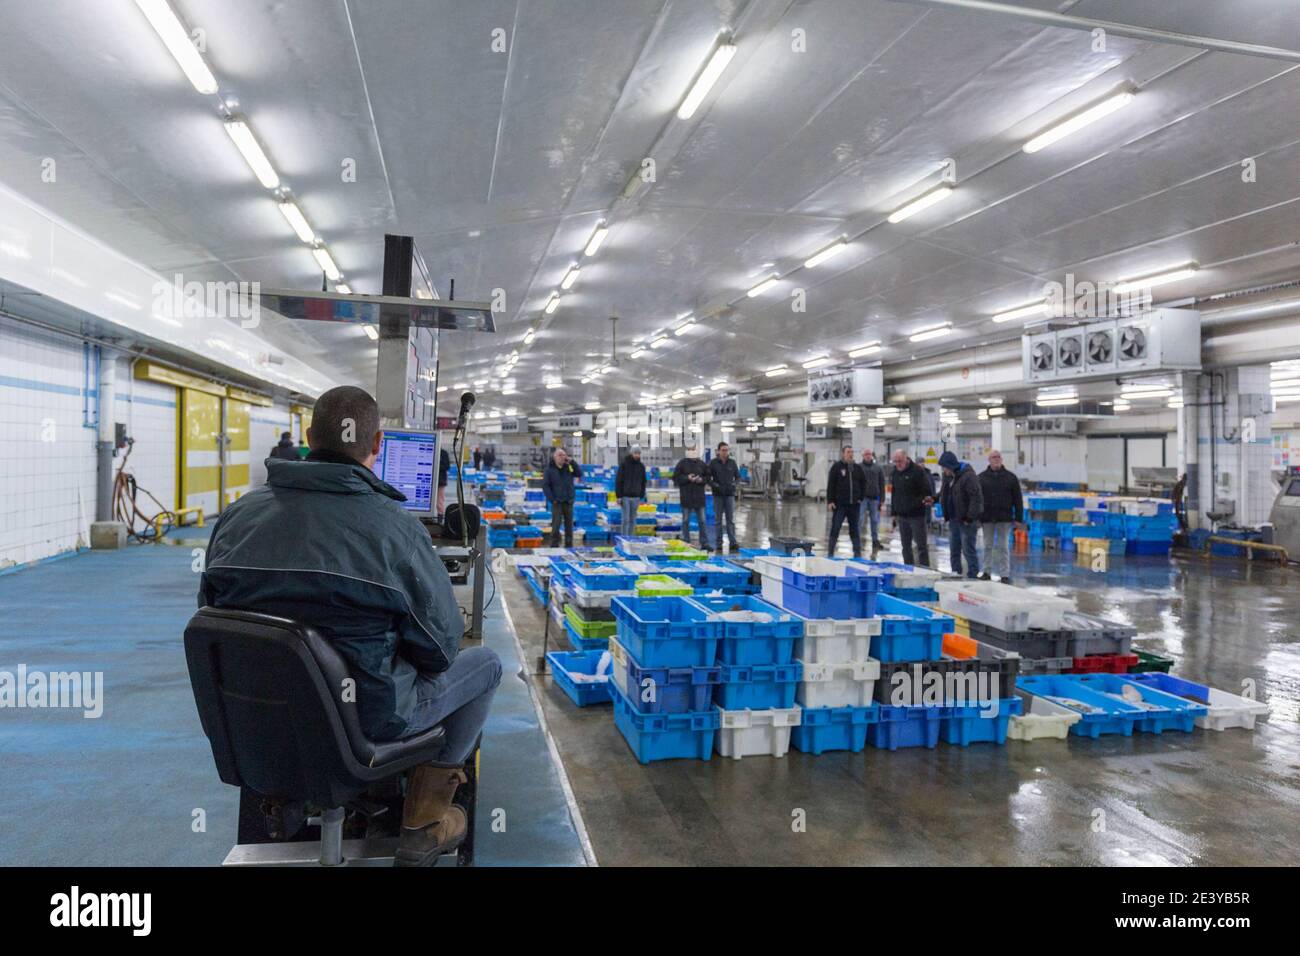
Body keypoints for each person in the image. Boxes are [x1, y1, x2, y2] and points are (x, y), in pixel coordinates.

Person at [199, 386, 502, 867]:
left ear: (306, 436)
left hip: (260, 719)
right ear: (377, 445)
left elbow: (214, 623)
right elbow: (441, 650)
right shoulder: (394, 527)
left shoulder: (235, 518)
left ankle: (279, 799)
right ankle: (423, 819)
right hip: (369, 720)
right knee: (484, 665)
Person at [978, 450, 1024, 582]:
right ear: (989, 460)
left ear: (1002, 459)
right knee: (987, 545)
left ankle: (1005, 574)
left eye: (998, 457)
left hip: (1004, 517)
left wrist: (1018, 518)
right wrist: (977, 517)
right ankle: (986, 571)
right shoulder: (981, 478)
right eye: (993, 457)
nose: (996, 459)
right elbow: (977, 499)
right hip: (987, 517)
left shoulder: (1011, 478)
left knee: (1003, 546)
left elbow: (1018, 499)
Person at [938, 450, 983, 579]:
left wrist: (970, 517)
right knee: (954, 549)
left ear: (950, 465)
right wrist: (935, 499)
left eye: (944, 467)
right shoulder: (948, 477)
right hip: (953, 519)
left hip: (966, 520)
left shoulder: (968, 476)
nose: (943, 470)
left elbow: (976, 498)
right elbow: (944, 494)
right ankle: (956, 573)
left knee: (968, 549)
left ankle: (973, 574)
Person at [890, 450, 934, 566]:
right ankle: (908, 569)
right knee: (905, 546)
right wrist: (894, 513)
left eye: (900, 461)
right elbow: (894, 492)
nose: (898, 464)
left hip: (917, 515)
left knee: (921, 545)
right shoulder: (895, 472)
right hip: (902, 516)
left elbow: (927, 491)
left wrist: (918, 502)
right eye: (895, 462)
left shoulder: (918, 471)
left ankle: (924, 570)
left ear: (906, 458)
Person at [826, 445, 866, 558]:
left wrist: (860, 498)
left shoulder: (857, 468)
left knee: (855, 529)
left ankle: (857, 554)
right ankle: (830, 552)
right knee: (836, 527)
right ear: (843, 453)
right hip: (840, 505)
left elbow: (864, 483)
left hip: (854, 505)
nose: (851, 454)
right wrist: (830, 501)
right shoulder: (836, 467)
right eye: (848, 452)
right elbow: (831, 485)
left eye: (852, 452)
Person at [543, 447, 582, 547]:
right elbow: (546, 486)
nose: (562, 457)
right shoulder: (549, 470)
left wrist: (572, 462)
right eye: (560, 455)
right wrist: (552, 500)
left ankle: (569, 546)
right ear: (554, 457)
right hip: (557, 502)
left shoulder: (568, 468)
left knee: (569, 526)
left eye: (564, 455)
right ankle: (554, 546)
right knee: (556, 526)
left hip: (568, 501)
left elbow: (579, 473)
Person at [673, 446, 710, 550]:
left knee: (702, 521)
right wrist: (687, 478)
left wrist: (701, 480)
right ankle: (686, 542)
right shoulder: (681, 463)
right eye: (691, 450)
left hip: (699, 498)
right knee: (685, 520)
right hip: (686, 497)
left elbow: (708, 477)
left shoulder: (702, 464)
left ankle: (704, 543)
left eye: (694, 449)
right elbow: (675, 478)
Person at [707, 441, 741, 552]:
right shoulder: (713, 463)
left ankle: (733, 542)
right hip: (718, 496)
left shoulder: (732, 463)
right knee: (718, 520)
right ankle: (719, 543)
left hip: (729, 495)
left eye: (727, 450)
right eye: (723, 450)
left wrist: (734, 485)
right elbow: (708, 478)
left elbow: (738, 477)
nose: (725, 452)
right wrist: (714, 485)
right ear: (718, 451)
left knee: (730, 520)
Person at [615, 445, 647, 536]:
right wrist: (619, 496)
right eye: (635, 453)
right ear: (631, 453)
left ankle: (631, 538)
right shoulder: (624, 464)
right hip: (625, 496)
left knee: (633, 519)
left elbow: (643, 481)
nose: (637, 455)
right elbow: (618, 480)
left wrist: (641, 495)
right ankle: (624, 538)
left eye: (639, 453)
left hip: (636, 497)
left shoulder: (641, 466)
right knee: (626, 519)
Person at [858, 448, 885, 550]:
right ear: (863, 456)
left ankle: (875, 541)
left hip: (874, 499)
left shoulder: (878, 468)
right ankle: (857, 541)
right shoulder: (859, 467)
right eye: (866, 454)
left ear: (872, 455)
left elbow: (882, 484)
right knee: (859, 520)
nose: (868, 456)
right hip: (862, 499)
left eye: (869, 454)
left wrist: (882, 500)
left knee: (874, 520)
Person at [436, 444, 451, 517]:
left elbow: (447, 466)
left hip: (440, 481)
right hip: (429, 481)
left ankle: (440, 516)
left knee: (440, 501)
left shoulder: (444, 453)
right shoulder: (432, 451)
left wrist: (437, 465)